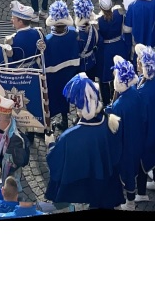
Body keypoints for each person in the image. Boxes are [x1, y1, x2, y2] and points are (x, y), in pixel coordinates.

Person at [46, 74, 123, 210]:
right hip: (107, 183)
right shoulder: (109, 121)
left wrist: (51, 143)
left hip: (88, 186)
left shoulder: (70, 136)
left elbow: (55, 159)